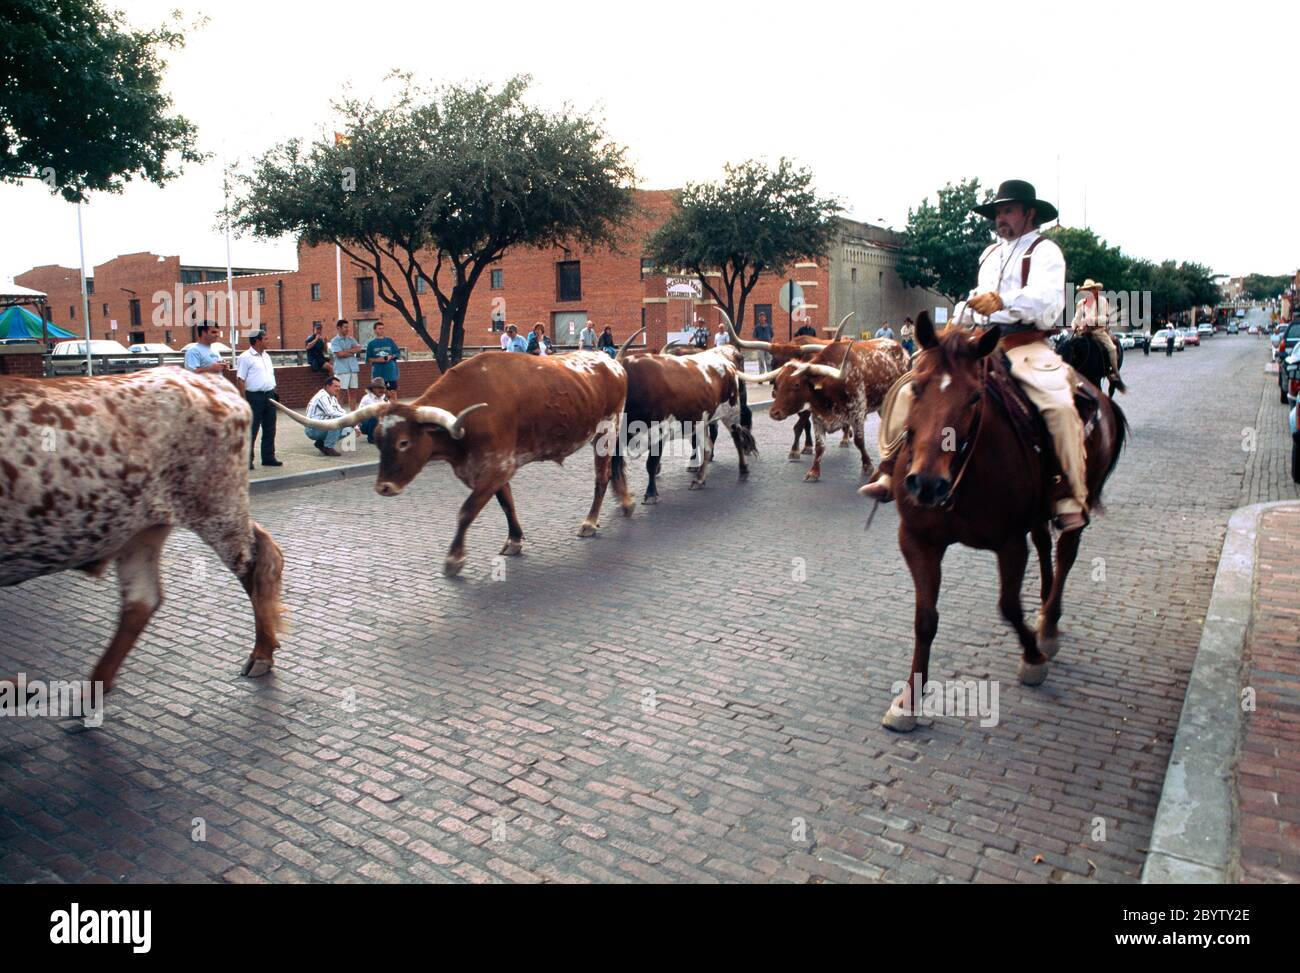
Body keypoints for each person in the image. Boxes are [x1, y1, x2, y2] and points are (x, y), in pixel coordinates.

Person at [862, 179, 1088, 533]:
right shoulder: (990, 255)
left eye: (1008, 210)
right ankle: (890, 468)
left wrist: (1004, 301)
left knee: (1058, 404)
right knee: (911, 389)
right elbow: (977, 300)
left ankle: (1068, 492)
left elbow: (1048, 301)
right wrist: (961, 316)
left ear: (1030, 213)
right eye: (997, 212)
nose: (1001, 218)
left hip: (1025, 341)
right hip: (978, 343)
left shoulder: (1045, 252)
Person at [235, 330, 282, 469]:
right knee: (252, 428)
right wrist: (243, 400)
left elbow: (269, 375)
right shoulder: (245, 357)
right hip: (253, 396)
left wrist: (274, 391)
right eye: (266, 339)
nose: (268, 341)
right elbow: (240, 379)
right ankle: (246, 459)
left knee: (270, 428)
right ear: (257, 341)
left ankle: (268, 457)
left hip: (269, 395)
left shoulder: (266, 356)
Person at [1071, 279, 1125, 390]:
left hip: (1098, 331)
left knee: (1112, 348)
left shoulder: (1102, 301)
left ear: (1094, 290)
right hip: (1083, 332)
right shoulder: (1081, 304)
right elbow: (1076, 318)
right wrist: (1075, 325)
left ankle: (1114, 373)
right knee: (1070, 347)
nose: (1087, 292)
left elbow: (1104, 318)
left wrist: (1090, 321)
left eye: (1089, 290)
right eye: (1085, 290)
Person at [304, 376, 354, 456]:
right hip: (312, 429)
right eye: (335, 386)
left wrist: (353, 422)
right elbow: (331, 412)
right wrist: (349, 418)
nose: (338, 388)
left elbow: (341, 411)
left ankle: (321, 443)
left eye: (339, 386)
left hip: (322, 427)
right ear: (328, 386)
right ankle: (328, 447)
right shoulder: (322, 396)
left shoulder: (332, 397)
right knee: (338, 422)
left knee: (349, 429)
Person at [329, 319, 363, 409]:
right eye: (345, 327)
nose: (347, 329)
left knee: (353, 393)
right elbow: (339, 354)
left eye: (347, 327)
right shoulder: (334, 341)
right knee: (341, 394)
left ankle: (353, 415)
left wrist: (346, 351)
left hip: (353, 369)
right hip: (342, 370)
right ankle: (339, 415)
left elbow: (359, 349)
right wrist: (352, 352)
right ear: (339, 328)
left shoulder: (351, 339)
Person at [366, 321, 401, 396]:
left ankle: (393, 407)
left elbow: (398, 353)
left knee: (392, 393)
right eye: (379, 328)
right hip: (378, 374)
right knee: (378, 394)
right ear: (375, 330)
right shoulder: (371, 344)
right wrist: (379, 360)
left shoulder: (389, 341)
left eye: (383, 328)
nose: (381, 330)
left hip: (390, 373)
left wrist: (390, 356)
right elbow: (368, 359)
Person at [358, 377, 388, 443]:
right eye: (379, 388)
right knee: (375, 416)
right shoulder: (367, 398)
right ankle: (371, 438)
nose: (382, 390)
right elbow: (376, 411)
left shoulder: (384, 397)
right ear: (373, 389)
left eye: (382, 388)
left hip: (378, 421)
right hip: (365, 424)